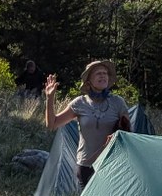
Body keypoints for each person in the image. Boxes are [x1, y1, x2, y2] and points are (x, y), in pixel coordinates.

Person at [44, 59, 131, 188]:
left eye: (105, 73)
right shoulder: (79, 103)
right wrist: (50, 98)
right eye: (98, 73)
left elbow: (128, 134)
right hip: (86, 165)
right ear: (89, 81)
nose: (103, 75)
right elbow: (52, 124)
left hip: (111, 163)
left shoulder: (118, 102)